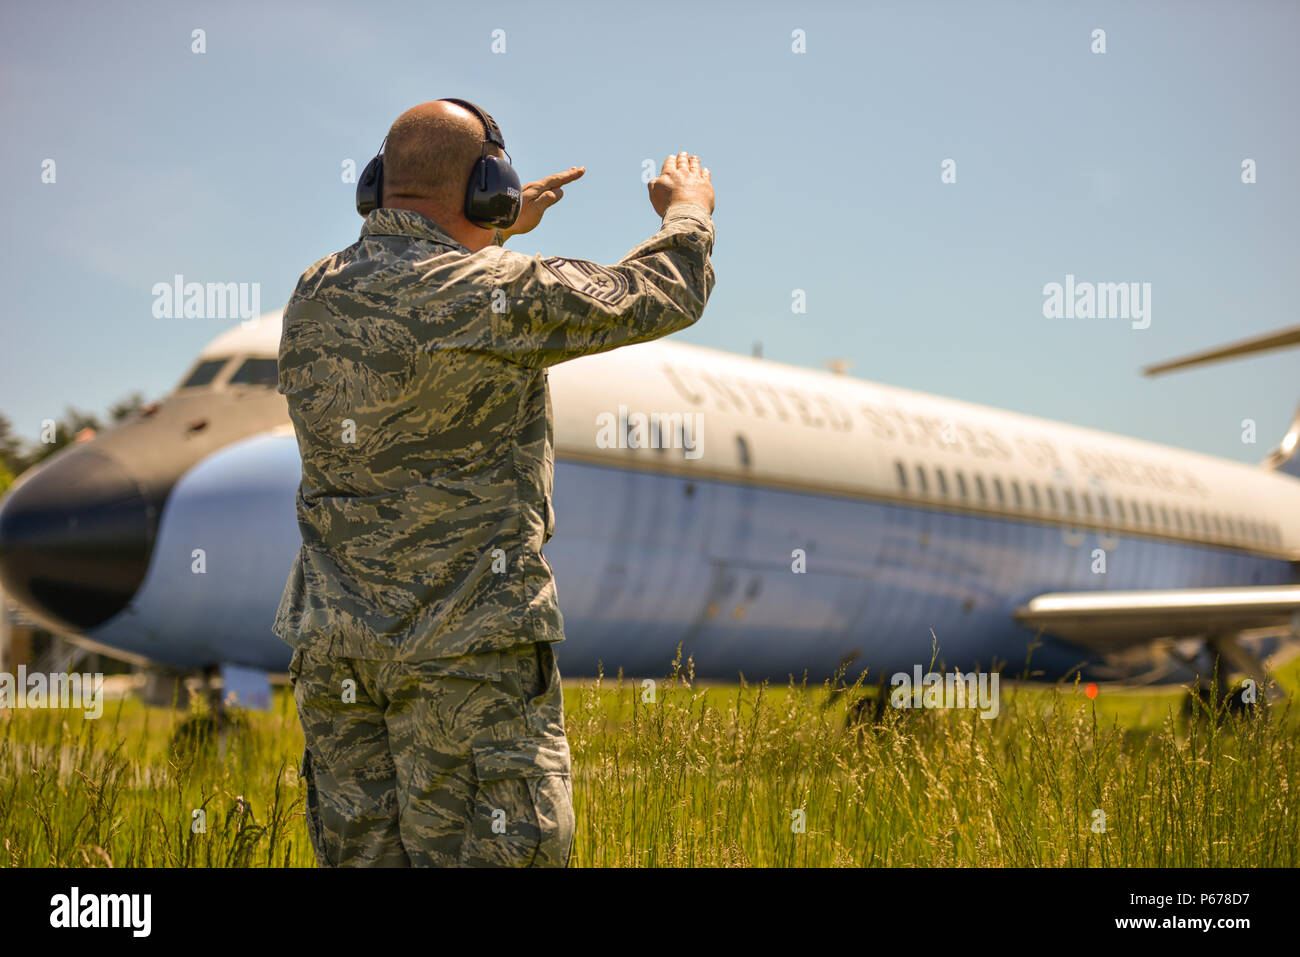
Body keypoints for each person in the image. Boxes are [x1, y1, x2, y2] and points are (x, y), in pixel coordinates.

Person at [274, 98, 716, 867]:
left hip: (340, 660)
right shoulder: (497, 291)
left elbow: (421, 285)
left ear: (378, 185)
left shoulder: (314, 292)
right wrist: (688, 213)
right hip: (469, 654)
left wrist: (498, 226)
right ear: (488, 186)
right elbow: (665, 290)